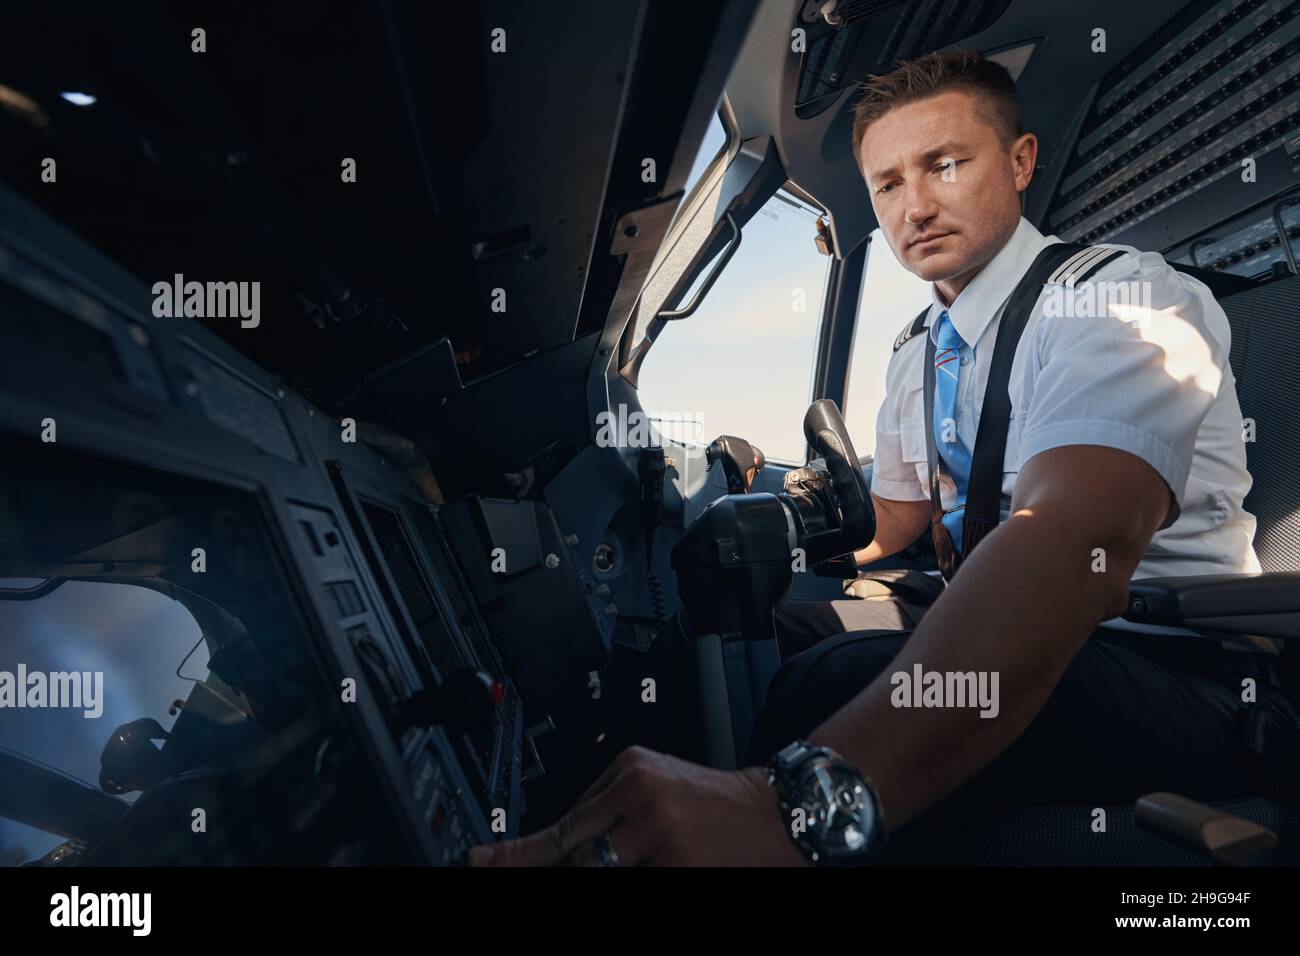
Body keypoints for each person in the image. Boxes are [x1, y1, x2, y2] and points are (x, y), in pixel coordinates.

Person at [469, 49, 1293, 867]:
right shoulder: (916, 351)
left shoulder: (1116, 300)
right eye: (888, 184)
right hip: (1016, 612)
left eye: (945, 164)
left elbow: (1070, 544)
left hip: (1173, 666)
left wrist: (782, 802)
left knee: (835, 678)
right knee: (756, 623)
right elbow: (896, 518)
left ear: (1019, 161)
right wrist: (780, 519)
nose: (916, 207)